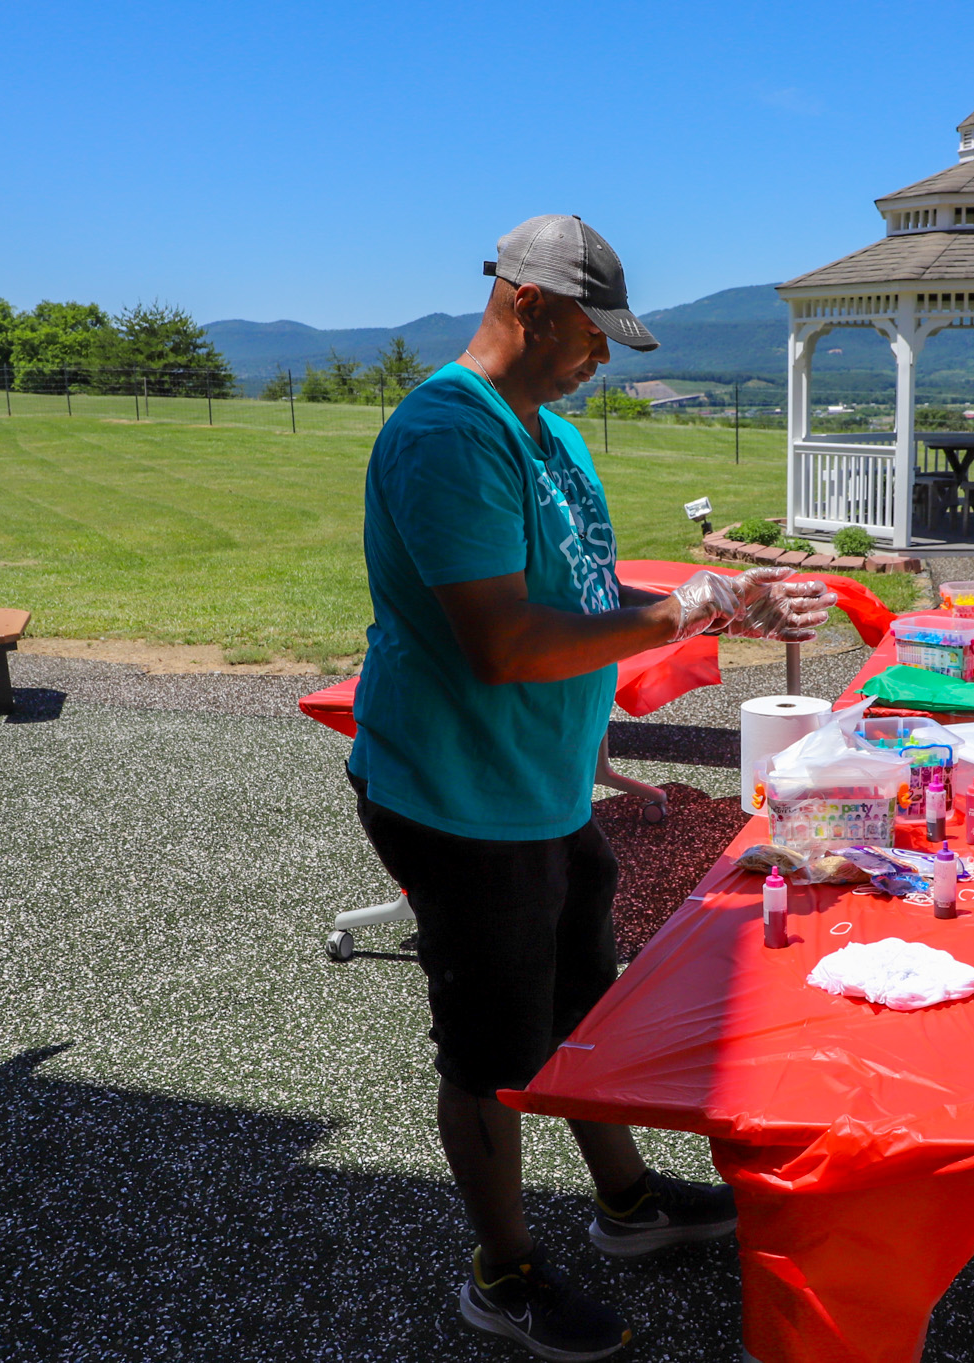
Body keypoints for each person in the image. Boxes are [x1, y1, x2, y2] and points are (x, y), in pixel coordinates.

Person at [346, 213, 835, 1361]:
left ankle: (626, 1204)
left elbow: (580, 590)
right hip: (459, 798)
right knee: (490, 1053)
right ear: (527, 304)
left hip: (546, 789)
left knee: (582, 1006)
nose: (602, 354)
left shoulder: (550, 436)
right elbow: (504, 642)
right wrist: (682, 614)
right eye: (590, 331)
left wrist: (721, 603)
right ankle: (502, 1272)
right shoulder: (449, 435)